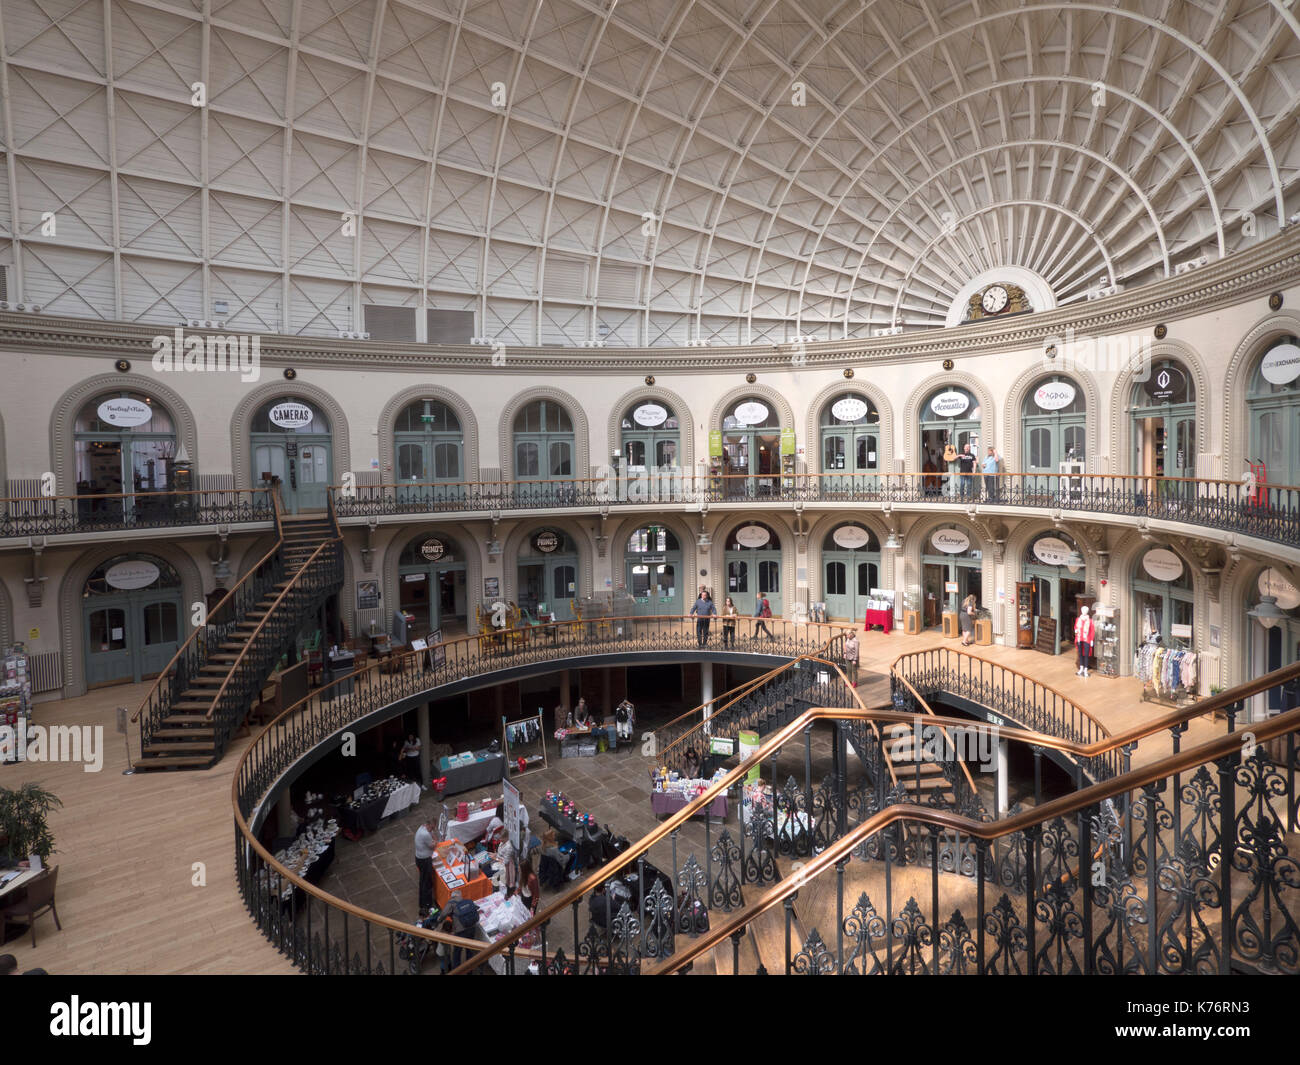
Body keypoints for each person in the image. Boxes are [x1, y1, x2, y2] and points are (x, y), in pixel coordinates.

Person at [414, 818, 437, 916]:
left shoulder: (422, 828)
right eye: (432, 828)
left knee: (423, 880)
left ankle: (423, 902)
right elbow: (433, 846)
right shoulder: (425, 834)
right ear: (427, 825)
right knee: (426, 883)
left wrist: (432, 834)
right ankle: (426, 905)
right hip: (425, 860)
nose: (432, 830)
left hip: (419, 858)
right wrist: (435, 840)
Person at [1074, 605, 1096, 677]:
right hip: (1079, 638)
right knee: (1080, 654)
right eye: (1083, 610)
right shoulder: (1078, 619)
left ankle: (1086, 669)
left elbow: (1092, 631)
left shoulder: (1090, 621)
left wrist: (1092, 640)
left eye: (1085, 610)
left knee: (1086, 655)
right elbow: (1075, 627)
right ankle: (1081, 668)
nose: (1084, 612)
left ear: (1087, 611)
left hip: (1087, 639)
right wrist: (1076, 630)